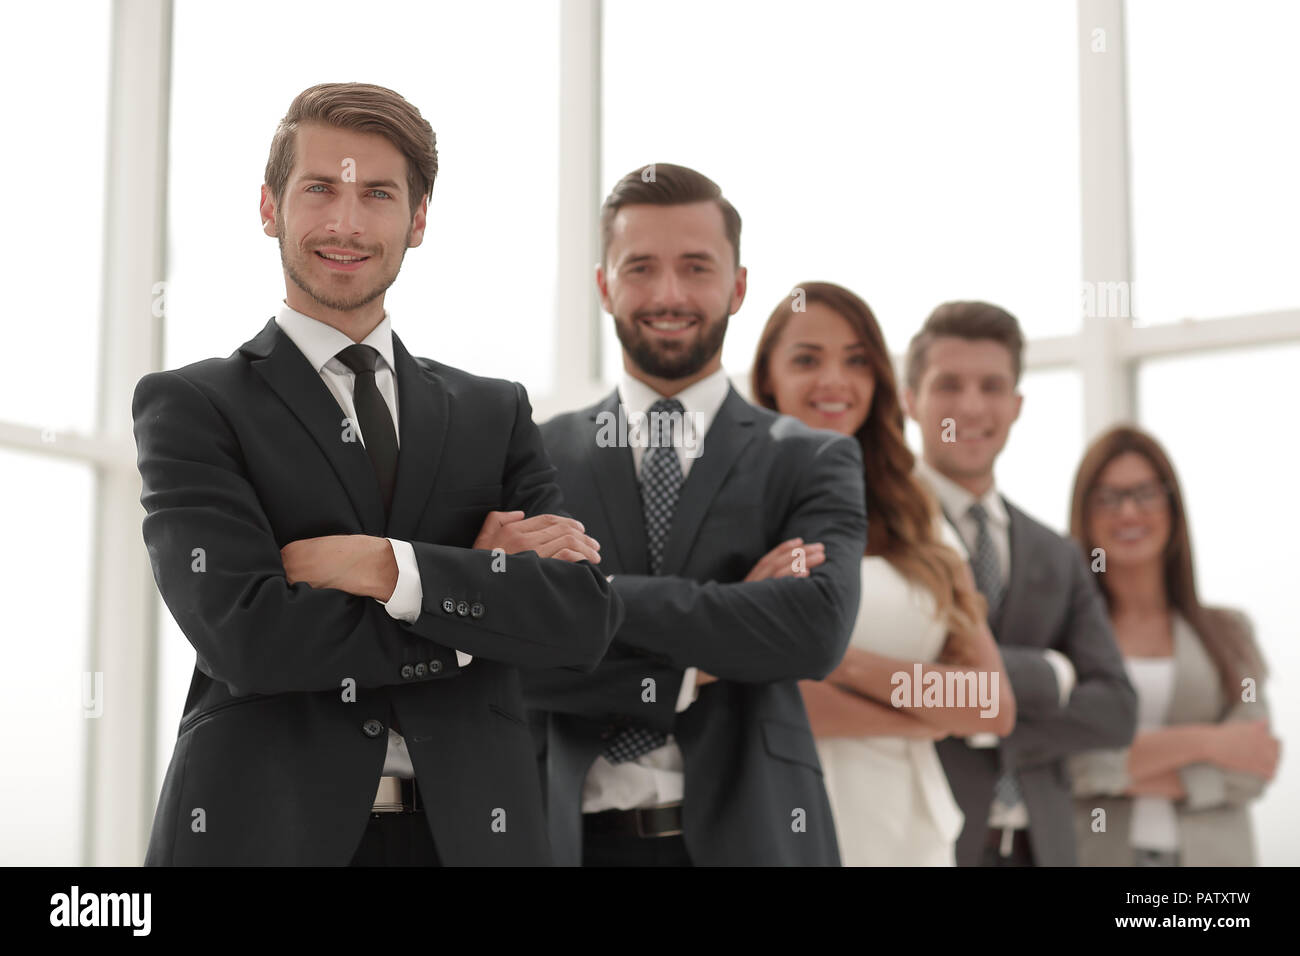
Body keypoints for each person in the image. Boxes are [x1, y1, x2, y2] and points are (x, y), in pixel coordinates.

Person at [132, 82, 622, 866]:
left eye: (378, 194)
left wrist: (382, 566)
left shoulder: (492, 412)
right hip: (264, 834)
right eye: (319, 188)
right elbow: (248, 636)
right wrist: (473, 612)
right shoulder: (194, 405)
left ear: (418, 220)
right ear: (270, 207)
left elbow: (579, 621)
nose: (346, 223)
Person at [522, 165, 867, 866]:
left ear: (738, 286)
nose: (669, 294)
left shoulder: (809, 458)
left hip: (757, 836)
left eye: (696, 267)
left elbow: (812, 631)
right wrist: (728, 626)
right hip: (566, 837)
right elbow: (508, 652)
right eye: (641, 267)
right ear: (603, 285)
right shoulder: (535, 452)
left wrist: (591, 601)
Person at [749, 281, 1015, 866]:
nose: (834, 381)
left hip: (910, 839)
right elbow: (756, 701)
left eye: (856, 360)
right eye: (807, 359)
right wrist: (922, 716)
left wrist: (833, 661)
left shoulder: (914, 510)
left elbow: (988, 701)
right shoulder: (736, 509)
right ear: (767, 376)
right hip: (782, 821)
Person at [902, 300, 1137, 866]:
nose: (972, 406)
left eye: (992, 386)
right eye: (948, 385)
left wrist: (986, 718)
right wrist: (1049, 674)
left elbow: (1115, 708)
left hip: (1044, 847)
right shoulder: (880, 535)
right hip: (926, 844)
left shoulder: (1057, 552)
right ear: (910, 400)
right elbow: (889, 678)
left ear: (1016, 404)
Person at [1066, 425, 1278, 866]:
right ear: (1084, 515)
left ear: (1172, 507)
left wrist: (1118, 766)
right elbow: (1070, 764)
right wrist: (1209, 742)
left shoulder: (1229, 633)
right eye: (1107, 497)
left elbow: (1253, 766)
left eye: (1144, 493)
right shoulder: (1065, 636)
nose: (1128, 511)